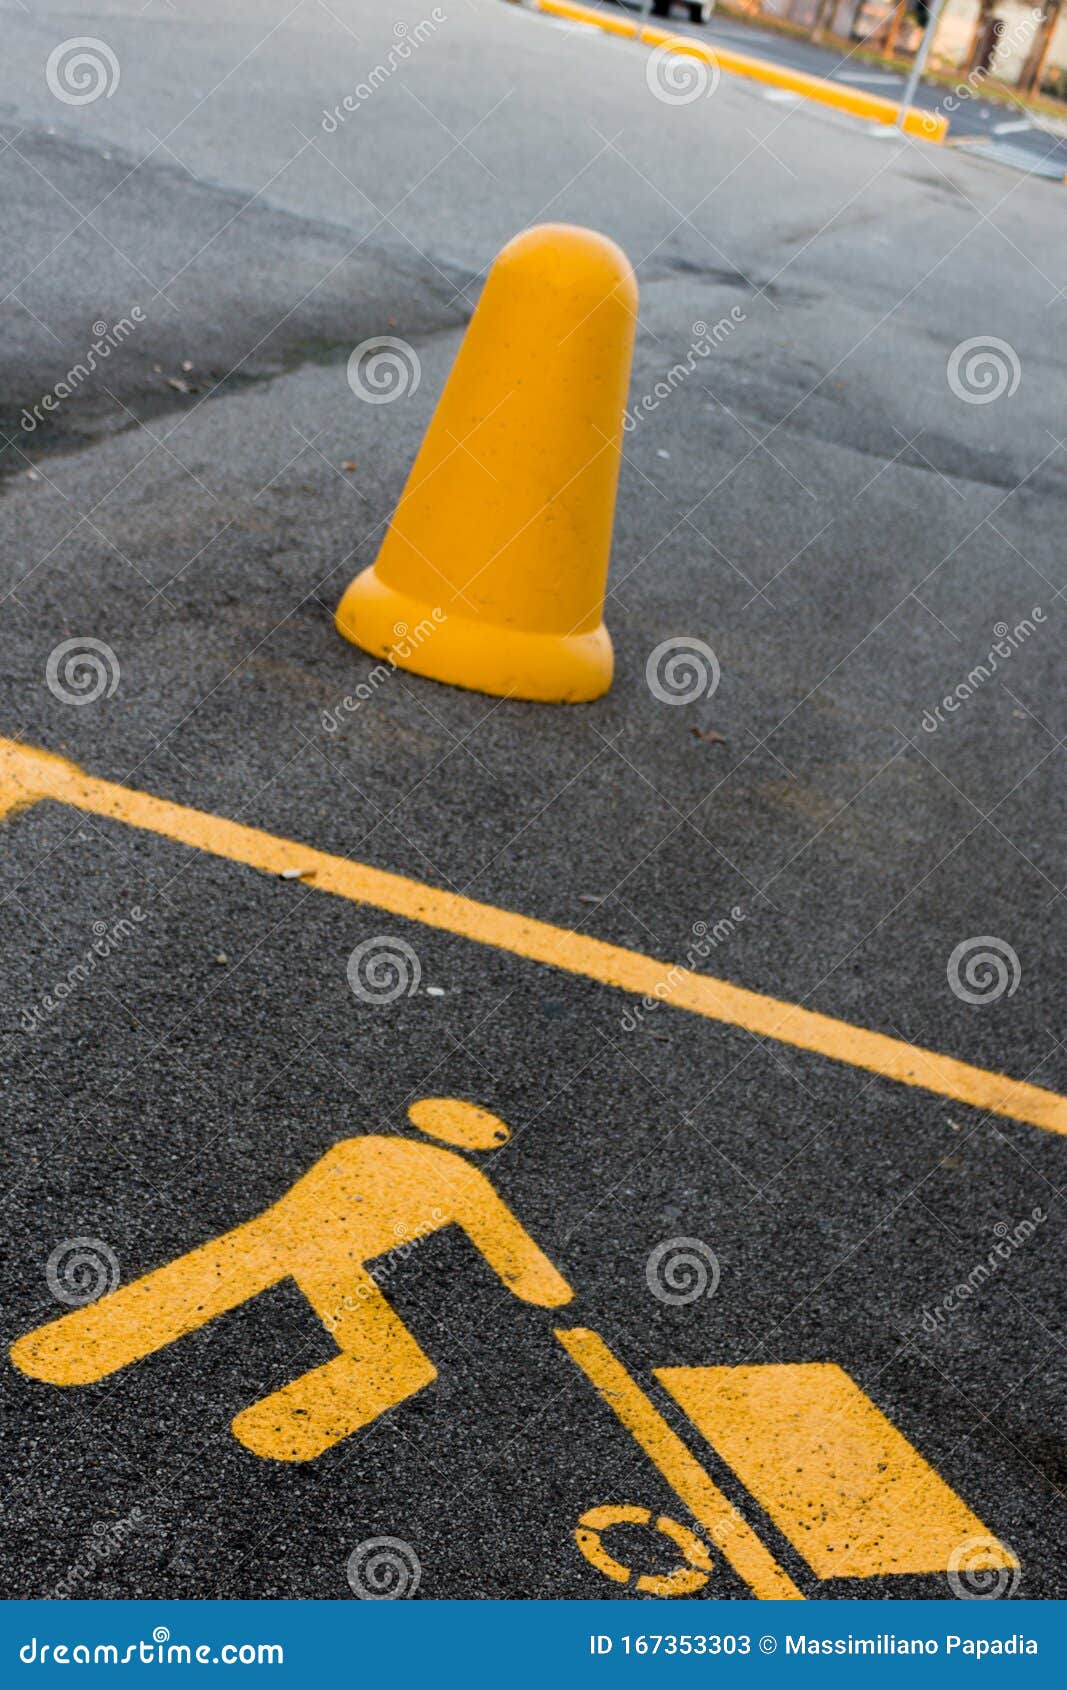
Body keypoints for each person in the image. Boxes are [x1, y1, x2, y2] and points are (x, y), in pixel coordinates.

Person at [11, 1098, 573, 1461]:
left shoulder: (367, 1147)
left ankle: (78, 1346)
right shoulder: (464, 1179)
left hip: (281, 1233)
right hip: (337, 1254)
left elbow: (311, 1194)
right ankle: (297, 1425)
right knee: (389, 1353)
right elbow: (519, 1263)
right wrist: (543, 1290)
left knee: (196, 1282)